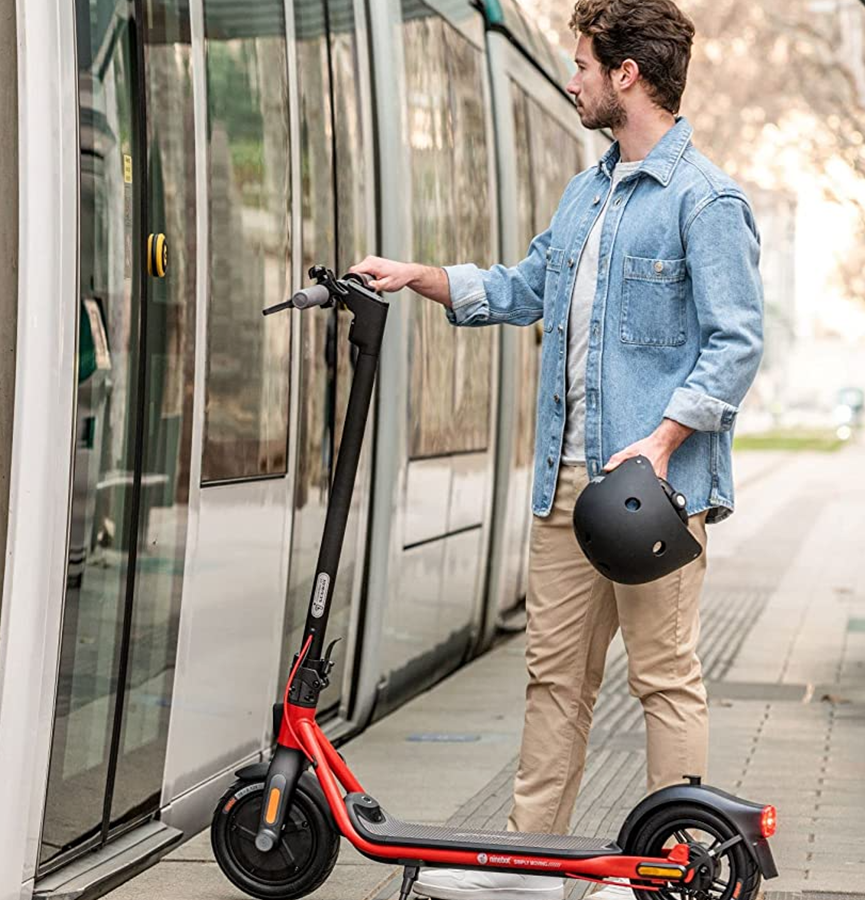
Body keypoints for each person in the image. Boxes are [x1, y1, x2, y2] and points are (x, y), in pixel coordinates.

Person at [349, 2, 763, 898]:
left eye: (581, 64)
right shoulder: (586, 192)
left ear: (627, 74)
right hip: (565, 486)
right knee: (554, 683)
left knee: (663, 681)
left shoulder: (707, 199)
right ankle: (523, 869)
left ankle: (666, 870)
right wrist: (419, 276)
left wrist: (658, 442)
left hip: (655, 491)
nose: (572, 78)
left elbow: (735, 344)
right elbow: (525, 285)